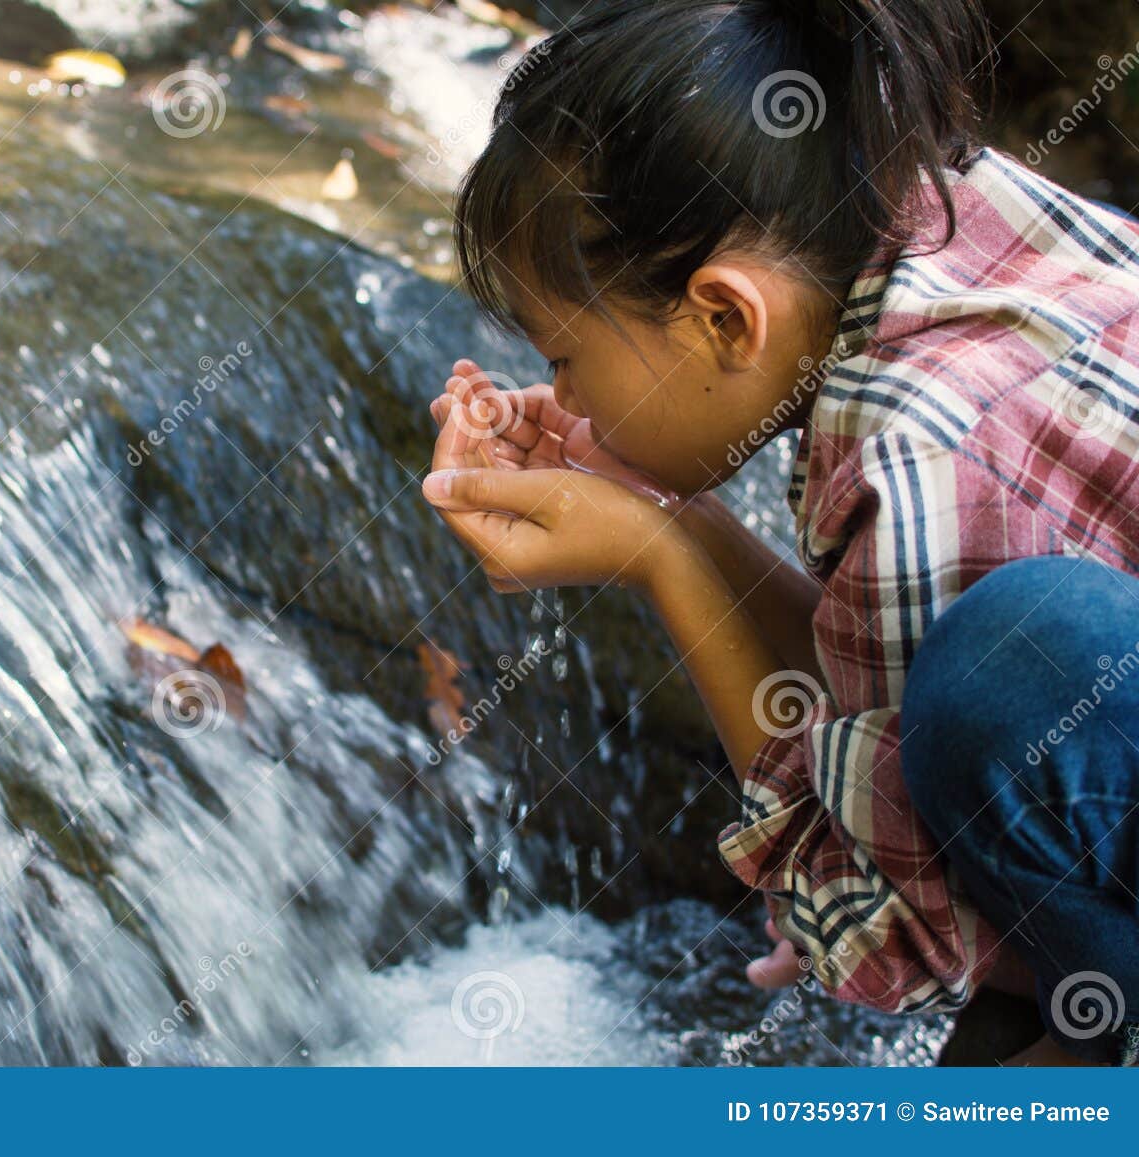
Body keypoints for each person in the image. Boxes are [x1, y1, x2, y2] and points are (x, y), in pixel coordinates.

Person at [422, 0, 1139, 1065]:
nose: (562, 400)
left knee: (1012, 665)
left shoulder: (915, 453)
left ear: (724, 316)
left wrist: (660, 557)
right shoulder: (953, 221)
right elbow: (894, 713)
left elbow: (897, 943)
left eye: (565, 357)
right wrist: (664, 511)